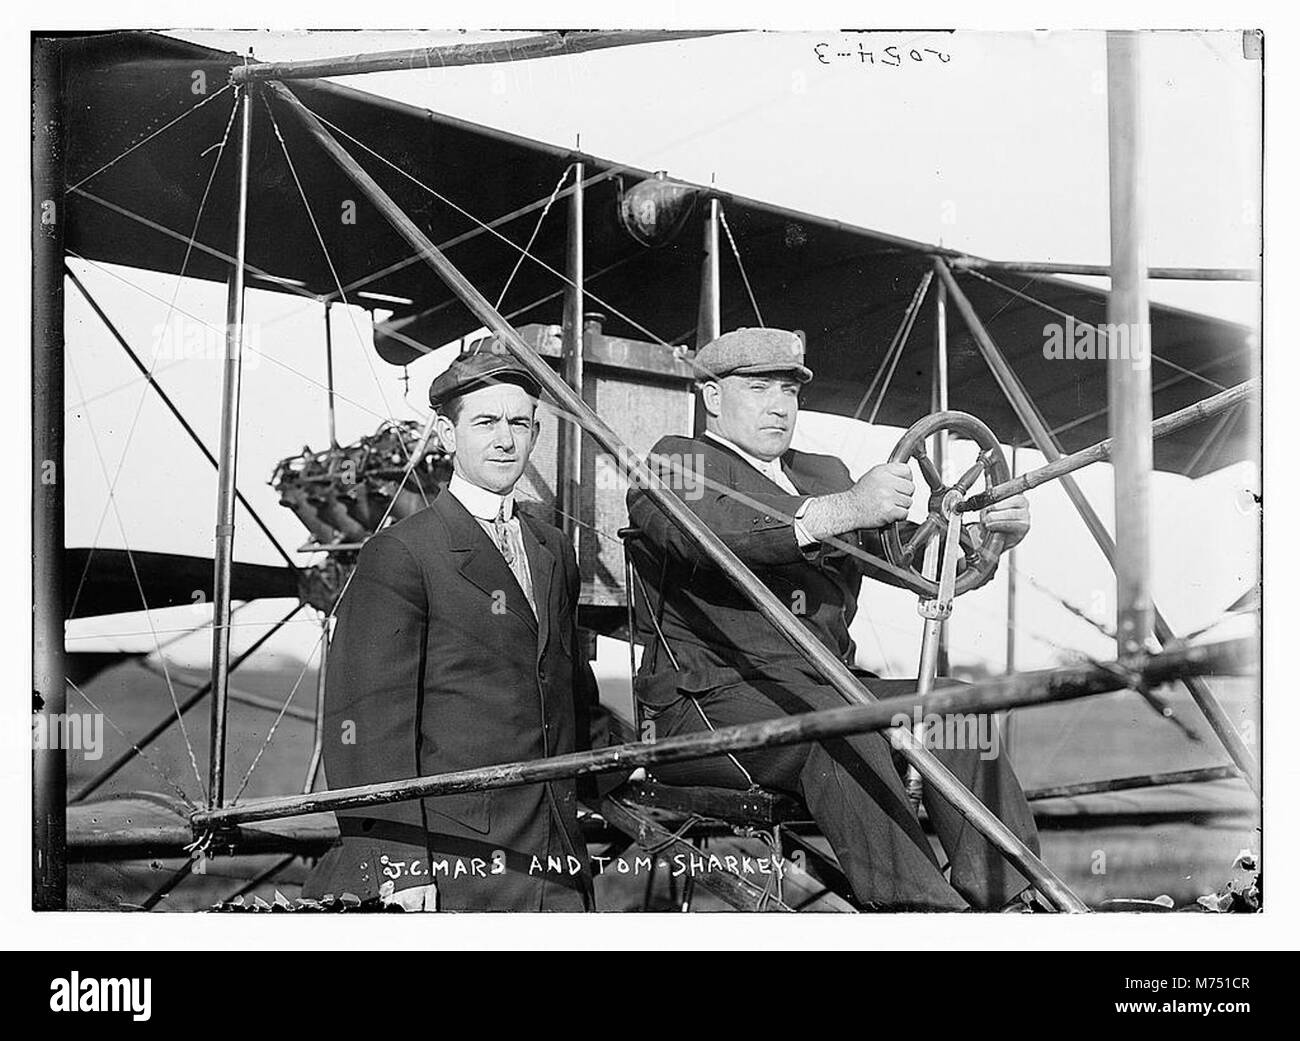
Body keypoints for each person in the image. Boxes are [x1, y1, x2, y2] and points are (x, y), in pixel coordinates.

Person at [626, 326, 1040, 911]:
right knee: (847, 723)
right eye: (759, 388)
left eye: (790, 391)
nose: (779, 406)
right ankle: (919, 915)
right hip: (709, 706)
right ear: (713, 397)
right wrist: (846, 509)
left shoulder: (823, 473)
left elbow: (903, 557)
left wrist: (979, 534)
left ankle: (1016, 901)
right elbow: (712, 533)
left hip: (827, 693)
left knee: (955, 707)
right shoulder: (678, 461)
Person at [303, 339, 595, 911]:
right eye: (485, 422)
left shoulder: (554, 549)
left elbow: (566, 690)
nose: (505, 439)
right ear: (446, 434)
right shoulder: (402, 552)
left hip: (558, 855)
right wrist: (399, 866)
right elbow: (364, 726)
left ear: (536, 433)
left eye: (519, 423)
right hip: (454, 863)